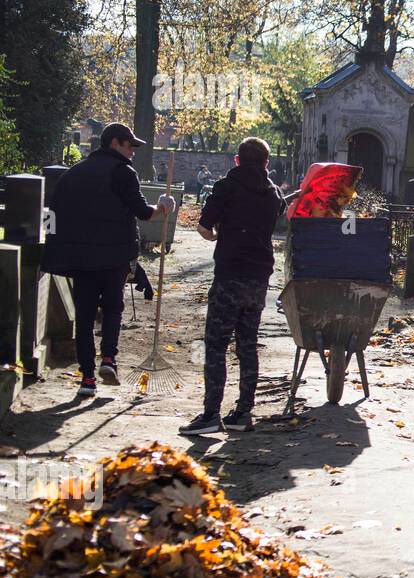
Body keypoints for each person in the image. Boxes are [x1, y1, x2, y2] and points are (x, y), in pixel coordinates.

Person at [41, 122, 176, 397]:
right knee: (113, 309)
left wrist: (58, 250)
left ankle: (87, 380)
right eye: (130, 145)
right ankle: (109, 359)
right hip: (114, 257)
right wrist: (163, 208)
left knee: (85, 317)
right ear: (114, 143)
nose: (133, 152)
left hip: (80, 258)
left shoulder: (73, 174)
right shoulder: (123, 172)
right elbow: (142, 212)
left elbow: (52, 214)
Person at [183, 137, 292, 435]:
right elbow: (279, 218)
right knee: (247, 345)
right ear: (266, 163)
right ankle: (243, 413)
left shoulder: (226, 187)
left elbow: (205, 227)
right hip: (259, 277)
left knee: (216, 345)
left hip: (230, 273)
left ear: (237, 160)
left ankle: (210, 415)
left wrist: (219, 234)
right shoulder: (273, 194)